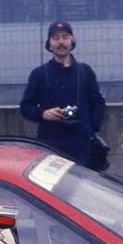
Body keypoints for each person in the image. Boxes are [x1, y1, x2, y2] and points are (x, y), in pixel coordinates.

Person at [19, 21, 108, 170]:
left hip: (82, 148)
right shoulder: (39, 74)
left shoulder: (85, 72)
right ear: (49, 44)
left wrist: (89, 129)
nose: (61, 42)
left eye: (65, 37)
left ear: (72, 41)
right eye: (56, 38)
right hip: (50, 147)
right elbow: (25, 107)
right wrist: (43, 114)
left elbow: (98, 103)